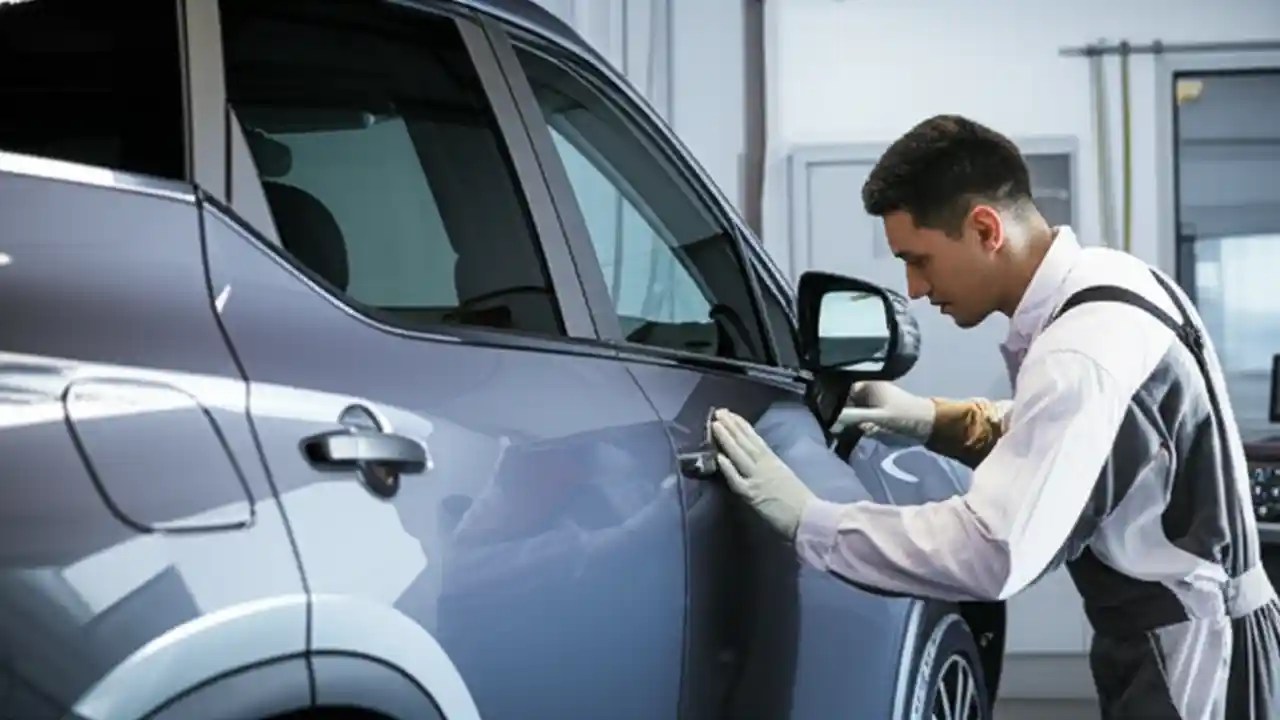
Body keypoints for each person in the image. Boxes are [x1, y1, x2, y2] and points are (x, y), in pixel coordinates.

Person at [710, 114, 1280, 719]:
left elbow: (992, 550)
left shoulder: (1082, 351)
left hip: (1193, 666)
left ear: (985, 228)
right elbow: (1087, 441)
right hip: (1195, 635)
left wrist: (813, 522)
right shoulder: (1114, 282)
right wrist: (934, 420)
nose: (916, 288)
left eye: (920, 259)